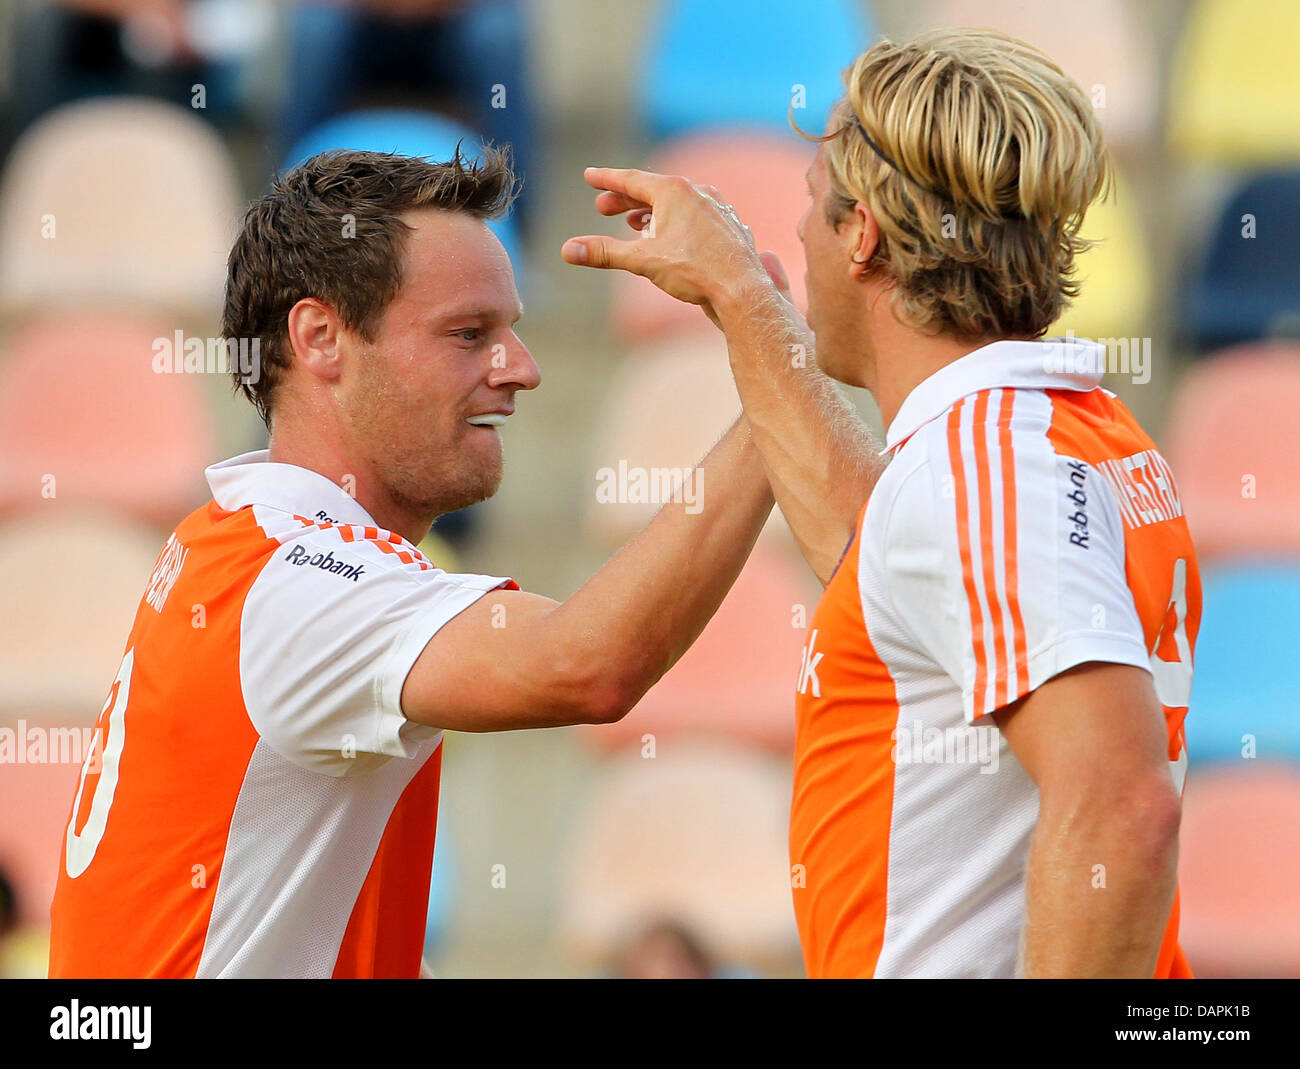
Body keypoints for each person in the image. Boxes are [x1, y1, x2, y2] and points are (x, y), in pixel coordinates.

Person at [48, 147, 786, 978]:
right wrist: (777, 354)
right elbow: (590, 663)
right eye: (469, 334)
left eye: (511, 331)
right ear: (320, 337)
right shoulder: (299, 583)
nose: (522, 370)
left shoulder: (237, 542)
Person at [562, 29, 1199, 979]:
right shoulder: (1061, 434)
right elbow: (885, 558)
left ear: (862, 236)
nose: (802, 238)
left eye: (814, 210)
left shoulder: (988, 469)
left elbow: (1122, 802)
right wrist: (745, 301)